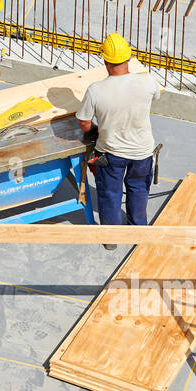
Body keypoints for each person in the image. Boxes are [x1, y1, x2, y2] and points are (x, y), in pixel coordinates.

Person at [76, 33, 161, 246]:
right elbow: (155, 96)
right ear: (129, 58)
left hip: (111, 154)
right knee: (139, 190)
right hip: (142, 152)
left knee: (110, 194)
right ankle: (138, 232)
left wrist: (96, 131)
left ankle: (111, 239)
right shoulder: (148, 81)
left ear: (105, 61)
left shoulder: (95, 91)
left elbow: (84, 123)